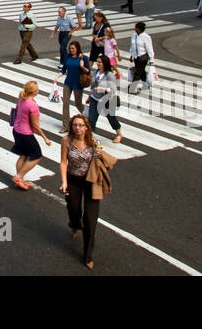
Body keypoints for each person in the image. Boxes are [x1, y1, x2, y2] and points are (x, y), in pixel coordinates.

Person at [59, 113, 114, 270]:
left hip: (91, 181)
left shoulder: (94, 142)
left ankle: (87, 255)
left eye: (81, 125)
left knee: (90, 219)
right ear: (71, 127)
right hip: (73, 180)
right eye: (75, 125)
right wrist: (64, 182)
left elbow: (100, 158)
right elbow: (63, 162)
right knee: (74, 209)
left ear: (86, 128)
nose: (78, 128)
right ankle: (75, 224)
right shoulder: (66, 141)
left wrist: (99, 154)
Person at [10, 80, 52, 190]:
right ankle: (19, 177)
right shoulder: (32, 105)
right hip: (26, 134)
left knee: (23, 154)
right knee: (36, 155)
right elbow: (35, 124)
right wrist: (45, 138)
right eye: (37, 89)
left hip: (16, 130)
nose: (38, 91)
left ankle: (20, 179)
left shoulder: (21, 99)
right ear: (34, 92)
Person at [87, 55, 123, 144]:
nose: (98, 63)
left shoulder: (110, 75)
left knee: (111, 118)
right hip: (94, 98)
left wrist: (102, 89)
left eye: (100, 62)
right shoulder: (96, 72)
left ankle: (119, 134)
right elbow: (92, 86)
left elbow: (113, 89)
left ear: (105, 63)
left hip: (106, 100)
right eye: (97, 62)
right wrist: (89, 96)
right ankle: (90, 136)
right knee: (91, 119)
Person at [59, 41, 90, 127]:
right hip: (68, 83)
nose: (71, 50)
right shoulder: (68, 57)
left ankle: (88, 118)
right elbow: (64, 69)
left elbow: (88, 71)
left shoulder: (83, 58)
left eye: (73, 48)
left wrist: (82, 66)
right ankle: (66, 125)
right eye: (70, 48)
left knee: (78, 103)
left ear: (77, 48)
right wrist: (57, 77)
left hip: (78, 84)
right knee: (65, 103)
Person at [128, 22, 154, 94]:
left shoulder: (146, 37)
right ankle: (146, 85)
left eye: (136, 27)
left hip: (143, 57)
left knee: (137, 72)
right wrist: (131, 55)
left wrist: (151, 59)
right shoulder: (134, 35)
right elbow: (132, 46)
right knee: (141, 72)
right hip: (136, 57)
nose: (135, 29)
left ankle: (132, 89)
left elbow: (149, 48)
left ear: (139, 29)